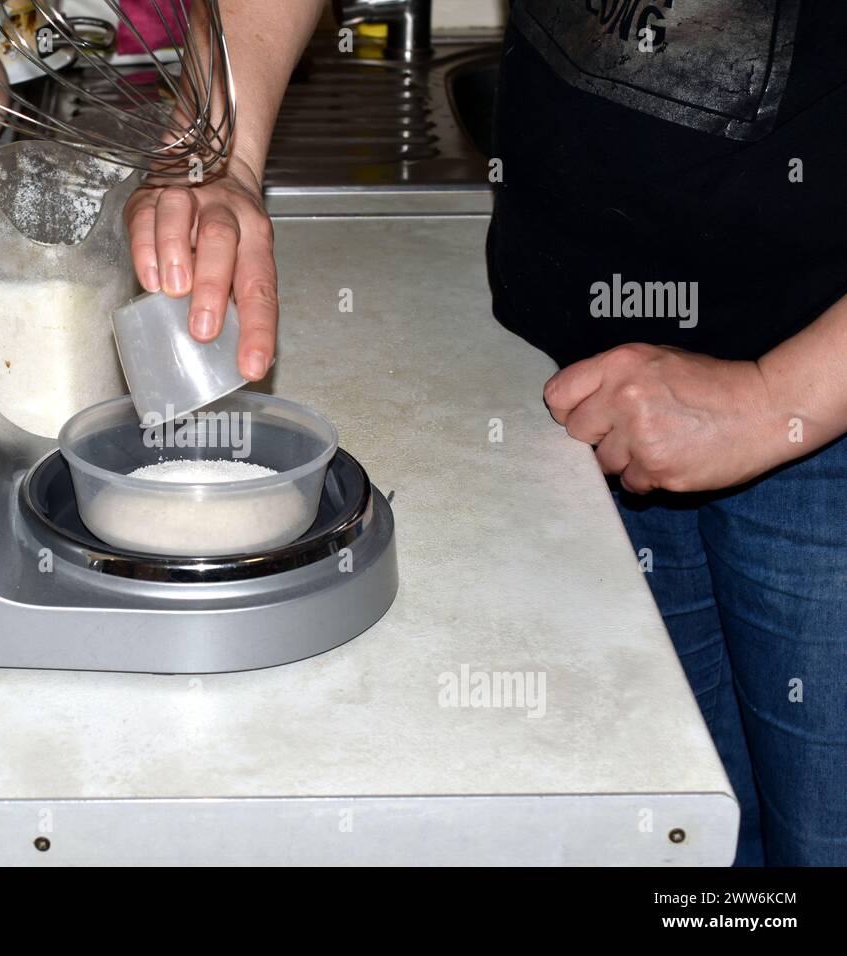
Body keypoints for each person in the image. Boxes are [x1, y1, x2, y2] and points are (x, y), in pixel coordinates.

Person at [125, 0, 847, 866]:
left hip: (821, 412)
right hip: (580, 390)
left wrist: (771, 401)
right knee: (685, 832)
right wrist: (219, 152)